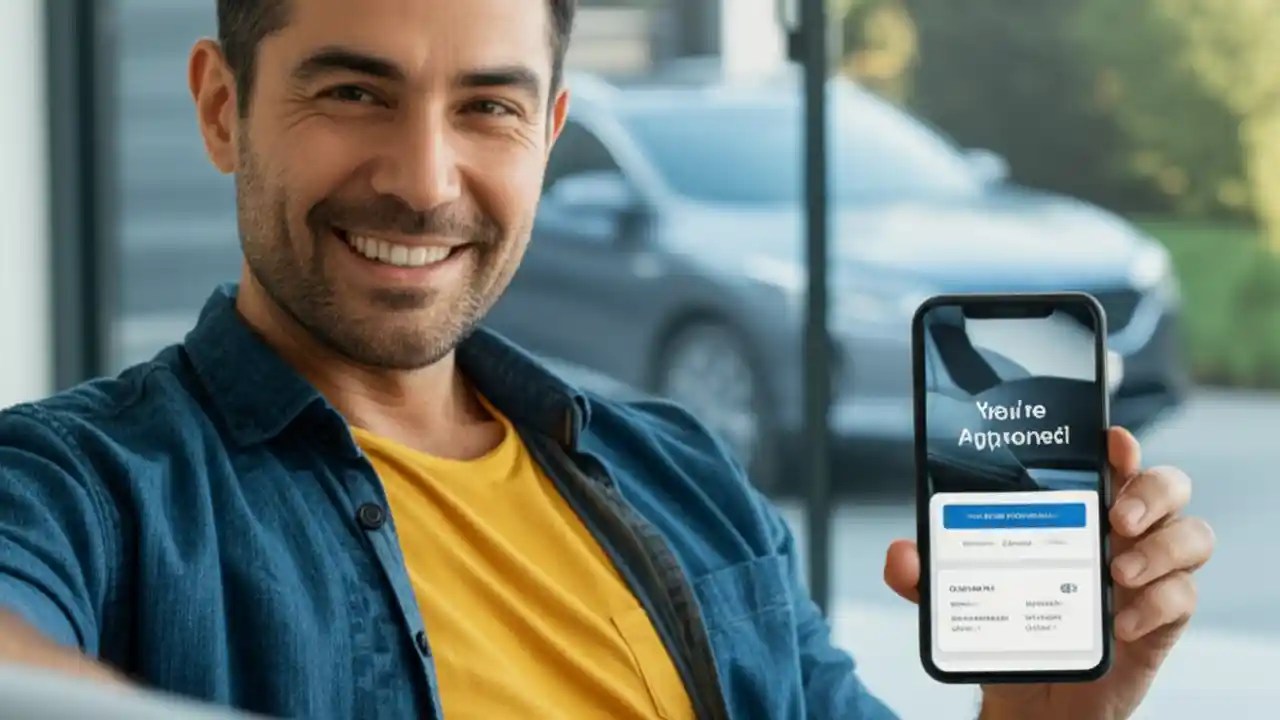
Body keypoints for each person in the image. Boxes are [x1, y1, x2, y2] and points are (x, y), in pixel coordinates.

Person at [0, 1, 1215, 718]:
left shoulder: (685, 478)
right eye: (355, 92)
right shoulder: (79, 486)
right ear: (222, 107)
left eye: (487, 108)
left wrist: (1036, 717)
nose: (425, 182)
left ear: (550, 134)